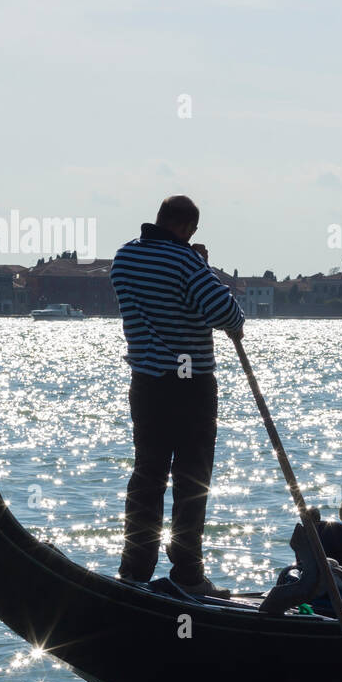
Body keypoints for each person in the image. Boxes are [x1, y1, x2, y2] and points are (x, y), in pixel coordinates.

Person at [110, 195, 245, 597]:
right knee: (191, 480)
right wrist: (200, 264)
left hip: (147, 384)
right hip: (190, 385)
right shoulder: (186, 263)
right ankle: (188, 573)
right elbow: (227, 315)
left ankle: (134, 570)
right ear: (186, 228)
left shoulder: (124, 258)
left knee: (147, 475)